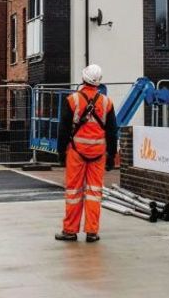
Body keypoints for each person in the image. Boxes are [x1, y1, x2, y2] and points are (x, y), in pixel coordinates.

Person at [55, 64, 118, 243]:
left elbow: (63, 129)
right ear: (99, 82)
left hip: (76, 153)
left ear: (83, 79)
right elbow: (112, 132)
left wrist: (60, 153)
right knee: (94, 193)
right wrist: (111, 155)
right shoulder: (107, 103)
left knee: (74, 192)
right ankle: (92, 232)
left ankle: (70, 231)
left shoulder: (72, 100)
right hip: (98, 154)